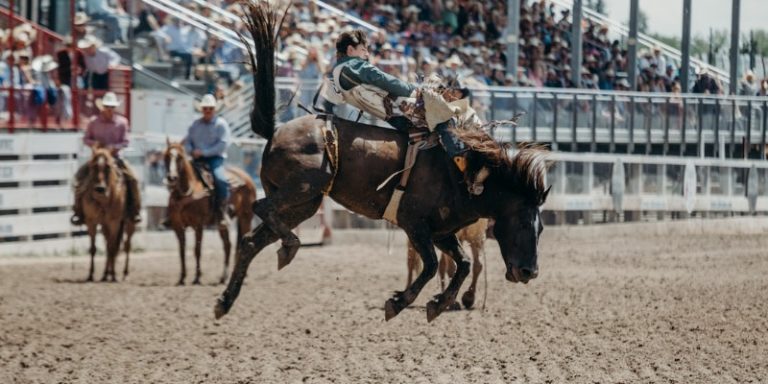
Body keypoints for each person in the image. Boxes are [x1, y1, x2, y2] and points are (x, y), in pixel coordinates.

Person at [328, 30, 465, 164]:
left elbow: (331, 99)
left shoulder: (335, 73)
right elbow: (384, 80)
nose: (367, 53)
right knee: (445, 117)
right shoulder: (354, 64)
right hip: (400, 110)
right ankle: (460, 160)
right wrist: (416, 90)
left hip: (391, 118)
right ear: (350, 50)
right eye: (363, 49)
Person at [71, 92, 142, 225]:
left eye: (112, 107)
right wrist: (95, 145)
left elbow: (126, 141)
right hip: (97, 159)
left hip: (115, 158)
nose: (109, 109)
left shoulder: (122, 122)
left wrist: (114, 147)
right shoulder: (94, 122)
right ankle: (78, 210)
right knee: (78, 179)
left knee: (133, 179)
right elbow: (86, 138)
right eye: (107, 106)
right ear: (102, 107)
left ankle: (134, 210)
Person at [182, 94, 231, 226]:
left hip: (215, 159)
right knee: (180, 176)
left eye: (210, 108)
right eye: (205, 108)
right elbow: (187, 142)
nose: (207, 111)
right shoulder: (195, 124)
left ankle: (222, 211)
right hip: (196, 159)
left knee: (220, 179)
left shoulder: (221, 124)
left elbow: (222, 145)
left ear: (214, 109)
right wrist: (191, 150)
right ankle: (174, 212)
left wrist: (203, 152)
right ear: (201, 109)